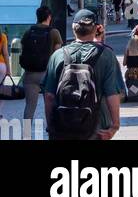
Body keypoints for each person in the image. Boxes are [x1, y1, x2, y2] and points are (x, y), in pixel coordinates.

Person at [42, 10, 125, 142]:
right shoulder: (107, 55)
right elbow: (112, 94)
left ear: (73, 29)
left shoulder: (57, 56)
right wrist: (115, 126)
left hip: (62, 126)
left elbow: (49, 96)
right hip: (96, 126)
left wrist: (51, 126)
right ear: (95, 29)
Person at [19, 5, 64, 132]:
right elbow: (58, 55)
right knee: (49, 105)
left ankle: (26, 134)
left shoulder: (28, 32)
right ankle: (51, 129)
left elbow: (24, 51)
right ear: (49, 17)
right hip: (47, 74)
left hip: (30, 74)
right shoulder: (54, 32)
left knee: (29, 106)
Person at [122, 30, 138, 103]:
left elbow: (124, 63)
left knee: (127, 79)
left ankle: (134, 92)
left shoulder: (127, 50)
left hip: (131, 72)